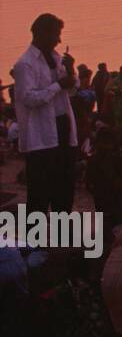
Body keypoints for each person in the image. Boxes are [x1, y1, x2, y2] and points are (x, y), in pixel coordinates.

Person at [11, 13, 78, 213]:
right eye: (55, 35)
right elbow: (29, 99)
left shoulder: (56, 59)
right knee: (40, 192)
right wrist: (58, 85)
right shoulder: (25, 64)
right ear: (41, 34)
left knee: (64, 189)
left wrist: (70, 72)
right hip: (41, 137)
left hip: (63, 129)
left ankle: (62, 239)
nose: (59, 40)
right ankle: (33, 242)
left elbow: (72, 90)